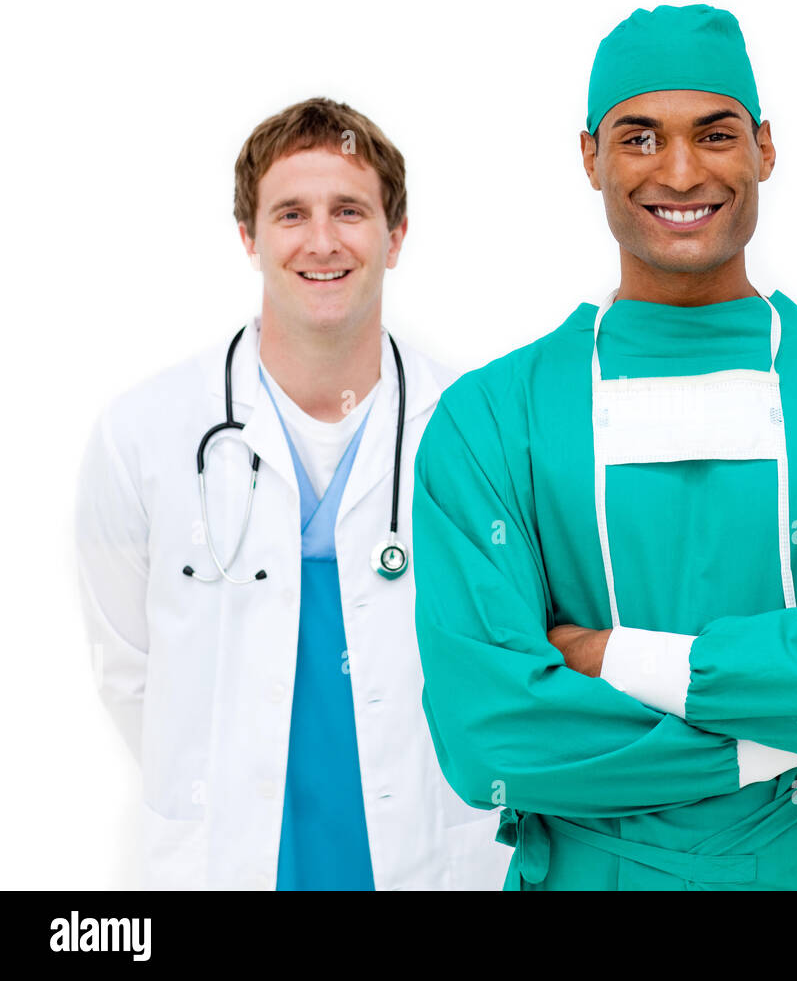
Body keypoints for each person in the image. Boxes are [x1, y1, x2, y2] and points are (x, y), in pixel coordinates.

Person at [411, 4, 797, 890]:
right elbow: (488, 731)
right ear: (590, 156)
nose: (681, 172)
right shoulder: (488, 421)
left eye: (714, 135)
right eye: (640, 138)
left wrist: (605, 657)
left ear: (764, 149)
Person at [74, 97, 512, 890]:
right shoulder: (145, 434)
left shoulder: (473, 430)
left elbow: (515, 655)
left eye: (350, 210)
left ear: (396, 236)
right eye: (290, 214)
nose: (322, 241)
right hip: (228, 858)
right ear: (248, 238)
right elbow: (130, 670)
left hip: (423, 851)